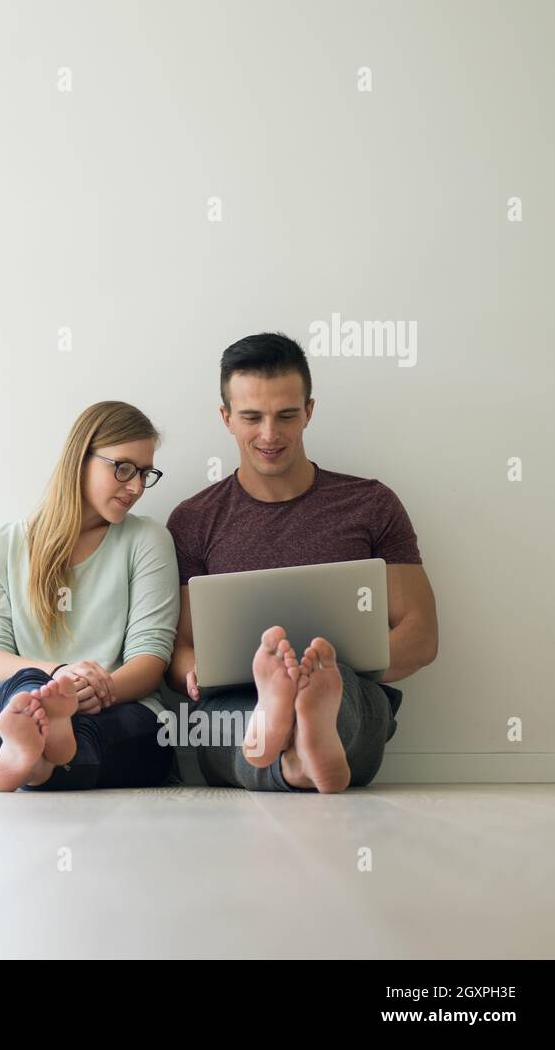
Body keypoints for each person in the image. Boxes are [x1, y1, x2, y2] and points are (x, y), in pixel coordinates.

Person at [166, 333, 440, 793]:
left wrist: (313, 673)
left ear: (309, 411)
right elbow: (178, 646)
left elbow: (421, 634)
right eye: (252, 417)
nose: (270, 435)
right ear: (226, 418)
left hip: (346, 689)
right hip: (236, 698)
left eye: (287, 415)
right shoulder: (194, 520)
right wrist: (191, 672)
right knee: (229, 721)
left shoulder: (370, 504)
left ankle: (298, 733)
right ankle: (299, 753)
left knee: (335, 693)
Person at [0, 400, 179, 792]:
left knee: (145, 734)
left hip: (118, 708)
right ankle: (46, 743)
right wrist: (57, 679)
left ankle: (36, 765)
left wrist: (96, 693)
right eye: (124, 468)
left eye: (146, 473)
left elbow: (151, 659)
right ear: (80, 458)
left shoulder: (147, 540)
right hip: (28, 699)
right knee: (1, 704)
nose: (136, 487)